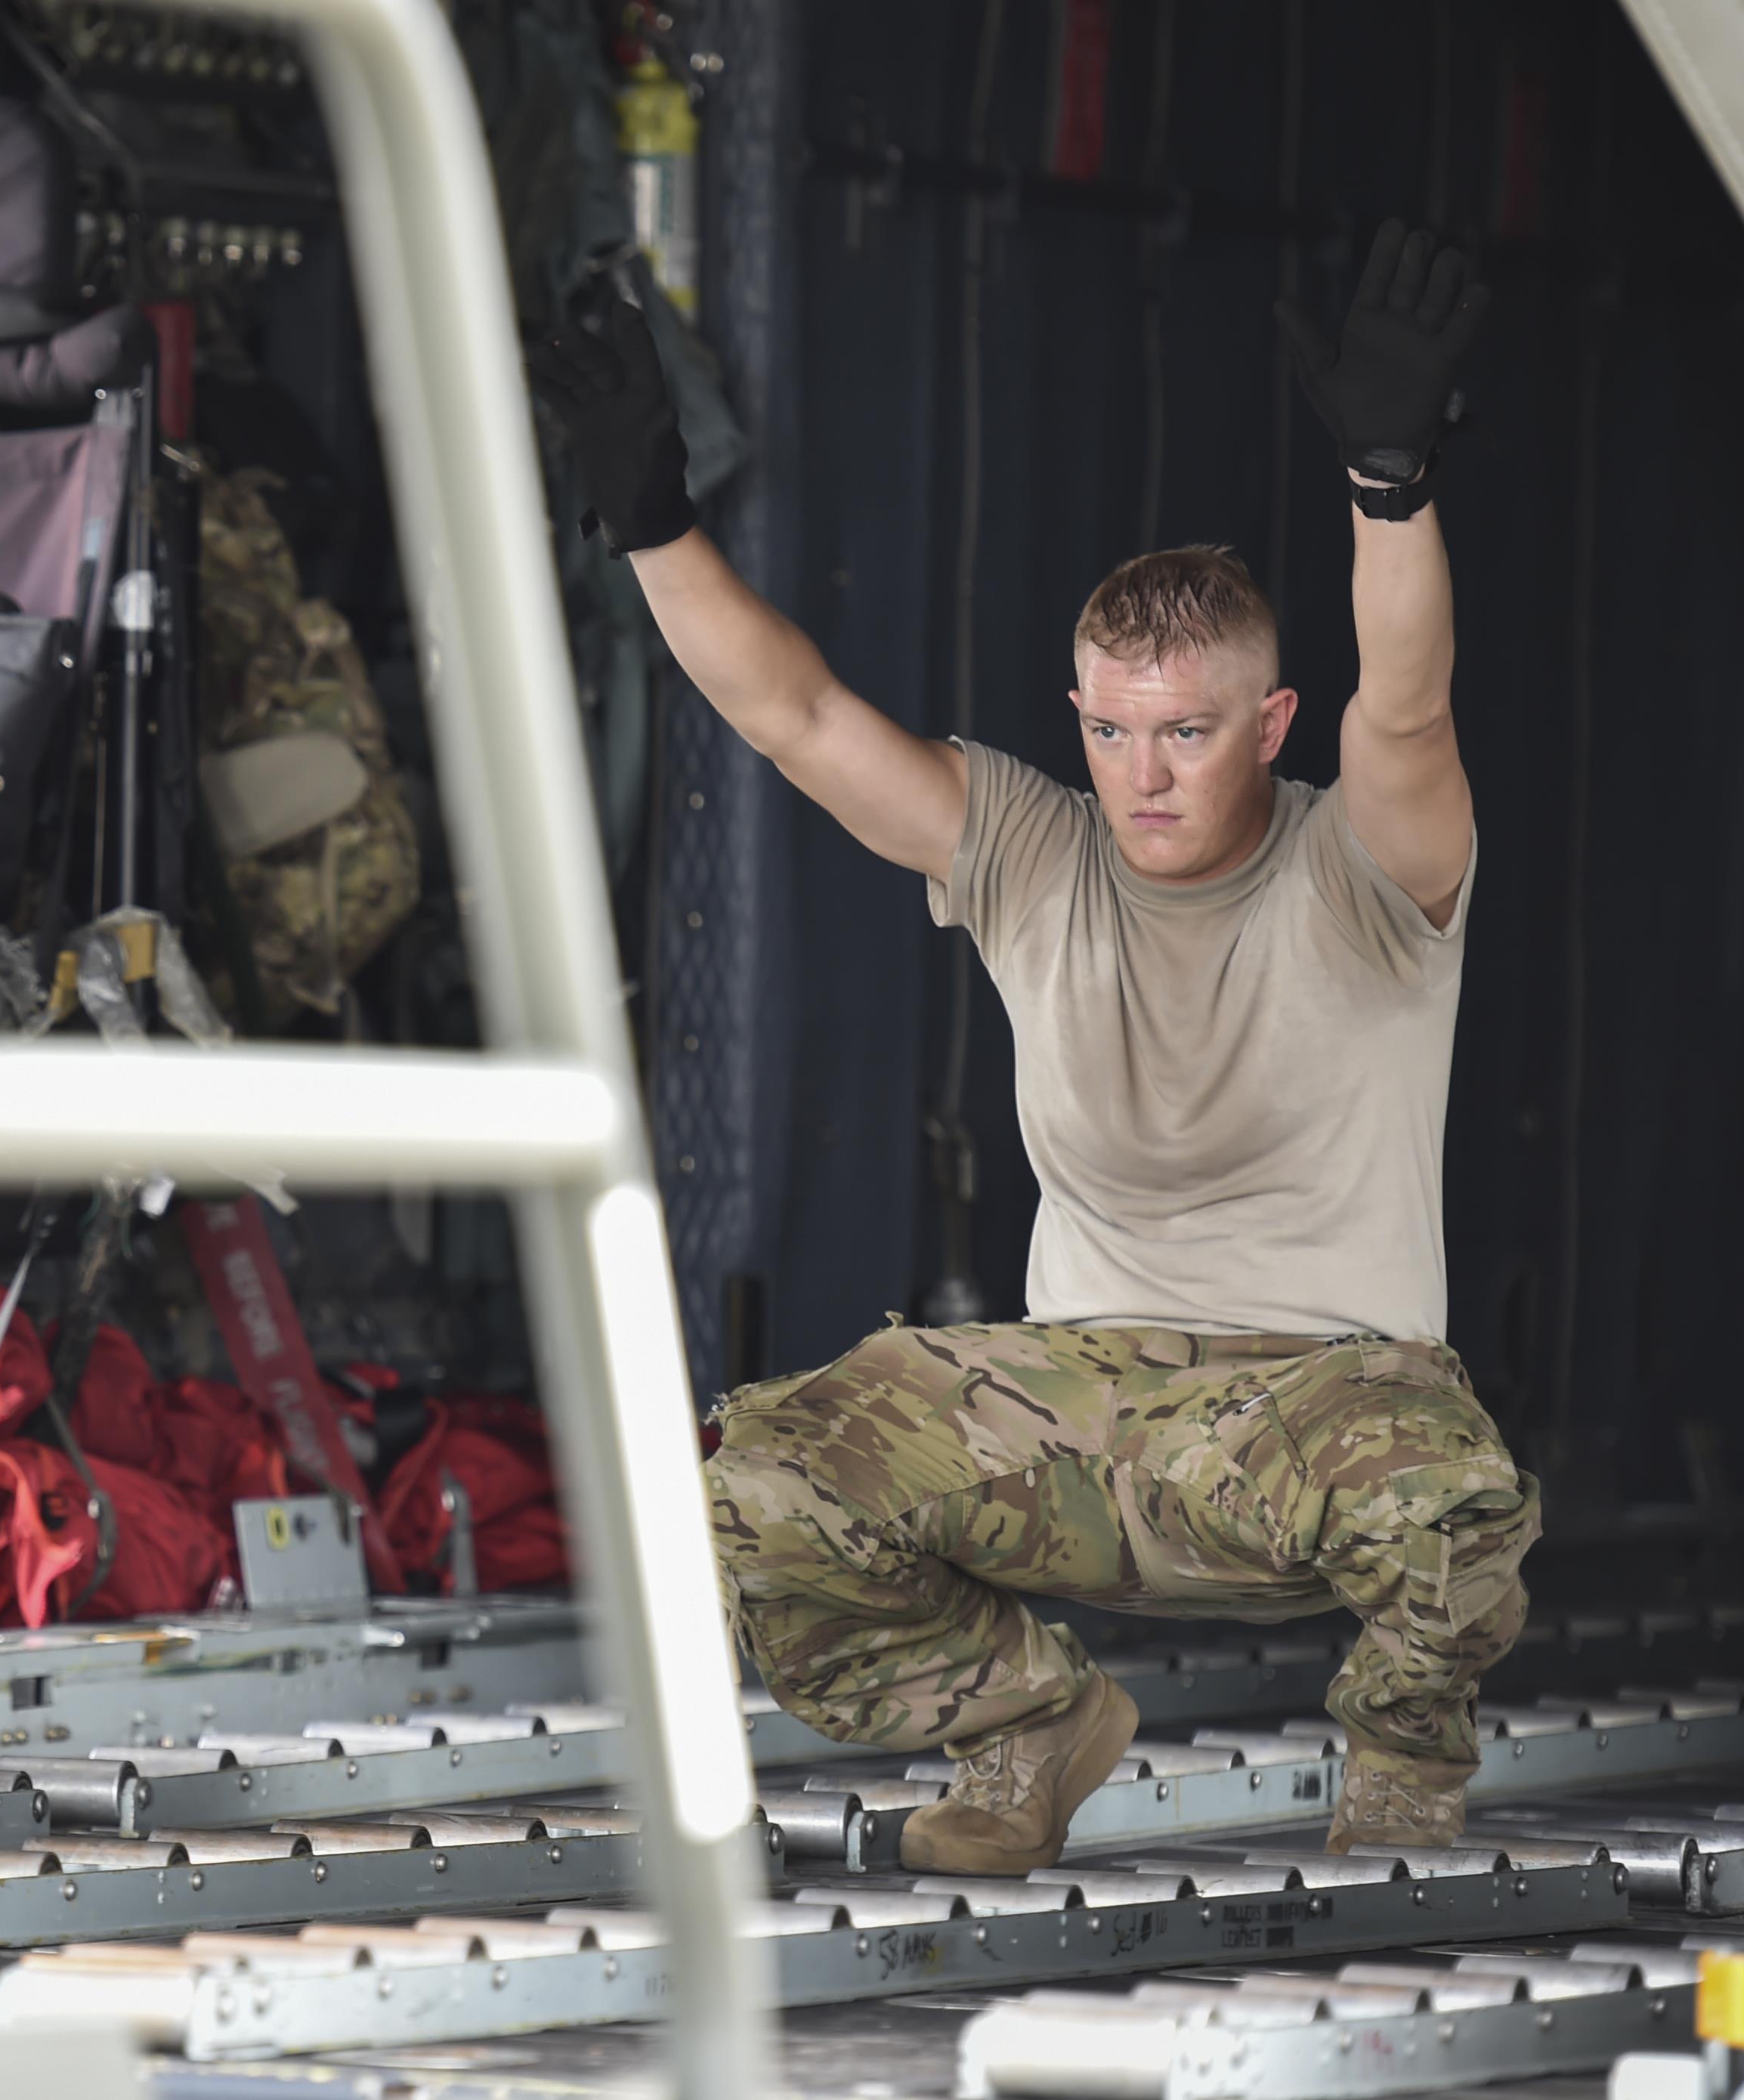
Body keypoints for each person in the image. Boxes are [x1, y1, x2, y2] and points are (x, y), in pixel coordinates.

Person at [527, 222, 1532, 1874]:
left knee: (1451, 1498)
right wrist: (650, 522)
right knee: (756, 1471)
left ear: (1267, 728)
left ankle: (1403, 1765)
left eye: (1188, 733)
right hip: (1072, 1414)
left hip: (1310, 1406)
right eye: (1110, 730)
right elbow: (793, 716)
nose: (1142, 775)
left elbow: (1405, 707)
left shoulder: (1365, 864)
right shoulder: (1027, 846)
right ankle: (1022, 1728)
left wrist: (1385, 481)